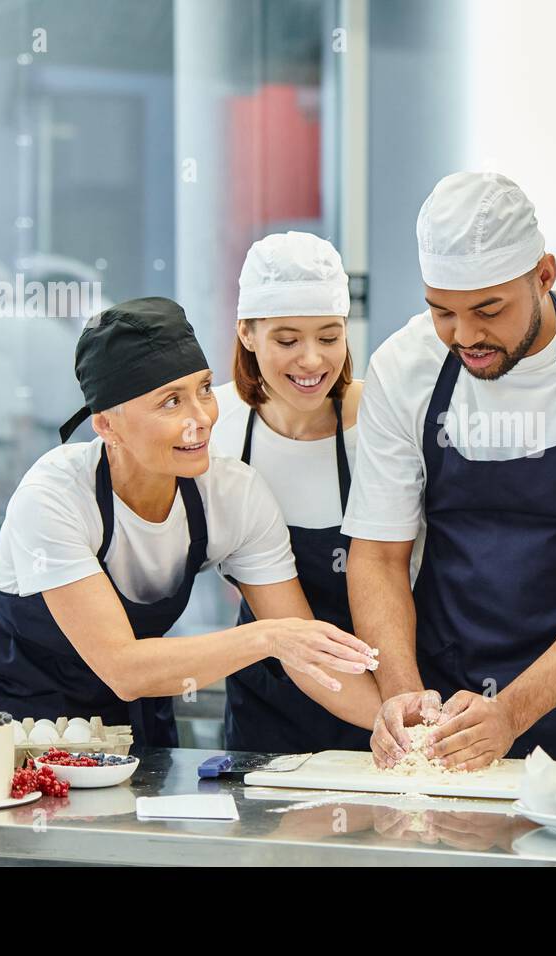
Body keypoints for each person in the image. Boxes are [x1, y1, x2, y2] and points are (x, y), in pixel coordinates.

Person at [343, 172, 556, 770]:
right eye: (442, 312)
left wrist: (510, 713)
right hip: (446, 700)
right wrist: (401, 691)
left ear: (545, 275)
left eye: (488, 309)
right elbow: (377, 555)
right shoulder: (403, 367)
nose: (466, 336)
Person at [0, 297, 380, 748]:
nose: (201, 420)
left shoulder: (232, 493)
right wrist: (269, 637)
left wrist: (404, 728)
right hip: (14, 713)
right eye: (171, 402)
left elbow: (306, 658)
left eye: (205, 390)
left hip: (132, 708)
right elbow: (124, 666)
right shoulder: (54, 495)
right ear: (107, 427)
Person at [211, 232, 372, 752]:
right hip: (272, 692)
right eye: (286, 340)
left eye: (329, 337)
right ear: (247, 333)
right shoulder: (216, 428)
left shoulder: (383, 422)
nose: (310, 361)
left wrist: (404, 716)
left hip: (390, 672)